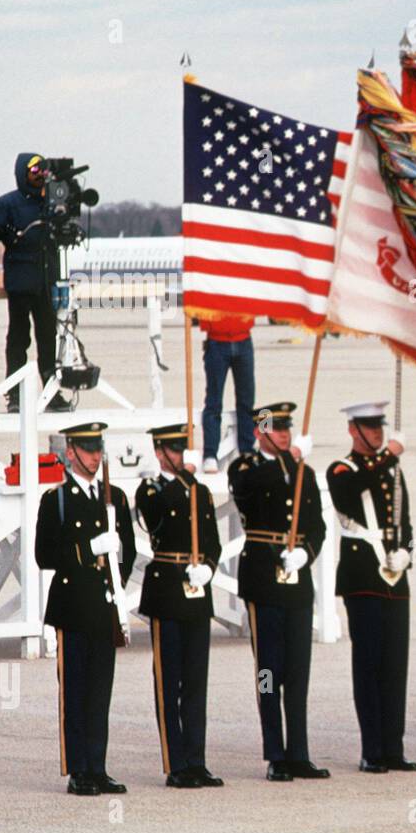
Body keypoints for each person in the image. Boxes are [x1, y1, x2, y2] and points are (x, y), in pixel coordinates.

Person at [227, 401, 330, 780]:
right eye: (277, 428)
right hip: (263, 575)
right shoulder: (246, 468)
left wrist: (306, 553)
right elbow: (252, 489)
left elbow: (317, 525)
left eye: (288, 428)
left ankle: (299, 752)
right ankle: (275, 753)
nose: (285, 434)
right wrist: (291, 460)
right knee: (268, 670)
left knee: (298, 671)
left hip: (296, 579)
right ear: (260, 432)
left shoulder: (303, 472)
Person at [36, 422, 135, 795]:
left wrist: (116, 577)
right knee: (75, 690)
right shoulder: (56, 500)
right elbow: (44, 555)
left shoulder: (115, 499)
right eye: (88, 449)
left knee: (99, 691)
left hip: (103, 607)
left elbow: (129, 552)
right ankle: (78, 769)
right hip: (72, 606)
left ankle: (97, 765)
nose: (95, 456)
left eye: (98, 449)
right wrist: (88, 550)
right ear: (72, 451)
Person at [325, 400, 416, 773]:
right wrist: (389, 456)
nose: (377, 433)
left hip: (395, 575)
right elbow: (351, 492)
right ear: (353, 430)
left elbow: (403, 519)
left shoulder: (392, 472)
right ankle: (371, 749)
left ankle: (393, 747)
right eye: (368, 426)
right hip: (363, 574)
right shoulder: (341, 469)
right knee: (369, 664)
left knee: (396, 665)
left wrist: (407, 552)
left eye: (379, 426)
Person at [135, 424, 223, 788]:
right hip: (167, 589)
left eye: (182, 449)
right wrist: (181, 484)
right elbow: (153, 515)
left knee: (196, 682)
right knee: (168, 681)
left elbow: (213, 542)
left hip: (196, 590)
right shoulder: (152, 489)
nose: (179, 455)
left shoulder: (199, 492)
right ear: (159, 452)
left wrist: (209, 568)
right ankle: (175, 763)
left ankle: (197, 760)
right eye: (172, 450)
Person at [0, 153, 69, 413]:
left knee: (48, 338)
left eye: (42, 170)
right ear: (22, 173)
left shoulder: (52, 201)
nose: (39, 175)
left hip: (46, 282)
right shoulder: (8, 203)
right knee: (19, 338)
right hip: (20, 283)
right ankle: (15, 394)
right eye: (33, 170)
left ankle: (51, 393)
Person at [199, 315, 256, 473]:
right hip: (217, 341)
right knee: (213, 402)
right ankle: (210, 454)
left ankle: (247, 450)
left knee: (246, 401)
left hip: (243, 338)